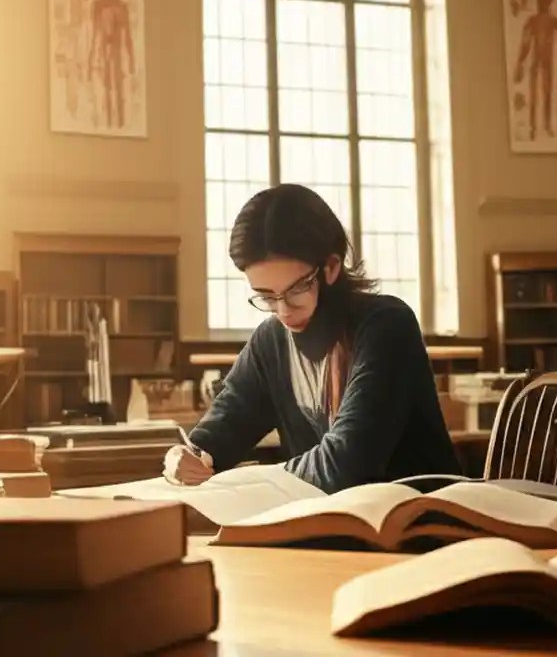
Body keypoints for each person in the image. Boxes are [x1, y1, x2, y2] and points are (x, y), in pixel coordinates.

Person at [164, 184, 461, 493]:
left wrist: (256, 478)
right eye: (266, 296)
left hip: (418, 517)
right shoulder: (271, 342)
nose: (283, 311)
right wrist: (185, 457)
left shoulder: (386, 326)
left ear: (331, 267)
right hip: (332, 519)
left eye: (295, 290)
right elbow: (217, 437)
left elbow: (345, 467)